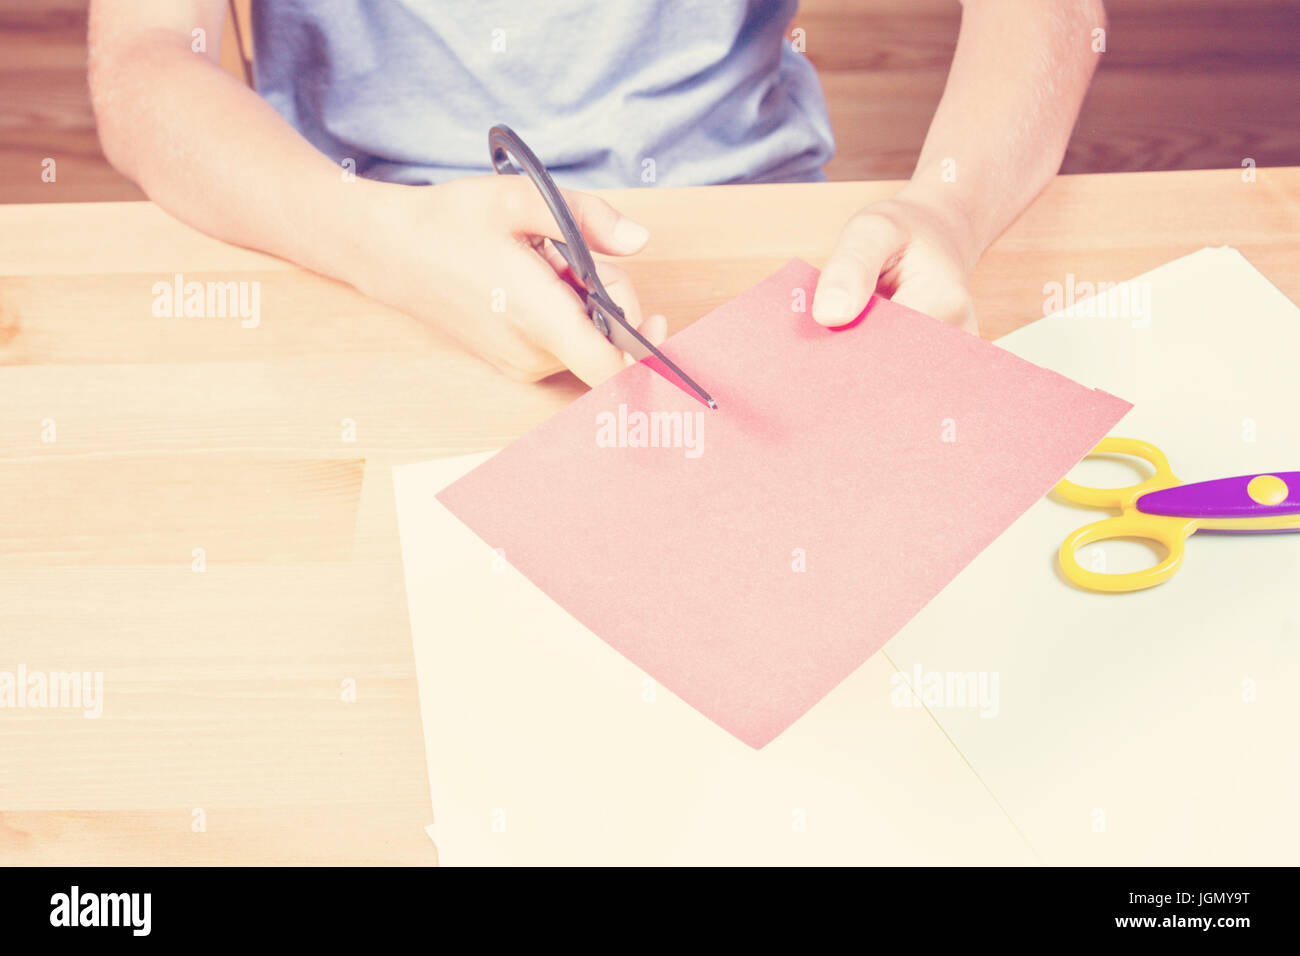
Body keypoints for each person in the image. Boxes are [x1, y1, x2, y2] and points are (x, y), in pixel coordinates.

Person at [88, 0, 1105, 386]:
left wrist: (947, 211)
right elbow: (140, 63)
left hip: (766, 255)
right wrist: (376, 240)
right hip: (343, 242)